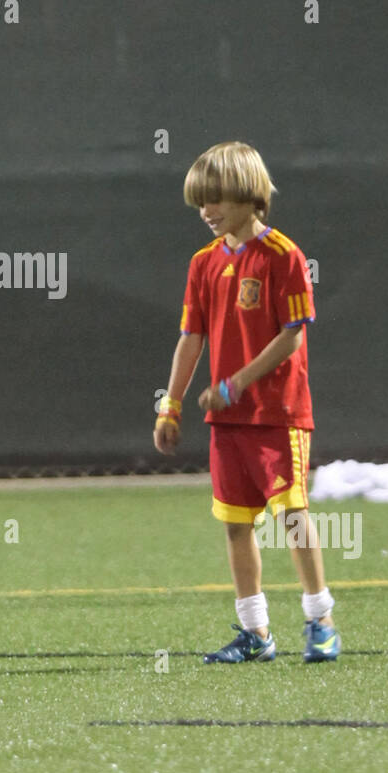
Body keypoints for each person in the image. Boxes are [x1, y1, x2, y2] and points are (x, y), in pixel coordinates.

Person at [154, 141, 341, 664]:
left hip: (278, 415)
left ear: (249, 195)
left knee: (293, 515)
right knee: (236, 523)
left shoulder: (284, 255)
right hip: (227, 421)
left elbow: (292, 336)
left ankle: (319, 618)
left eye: (215, 200)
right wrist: (170, 404)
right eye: (199, 204)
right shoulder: (203, 264)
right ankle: (256, 633)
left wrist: (236, 382)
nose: (206, 213)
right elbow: (191, 337)